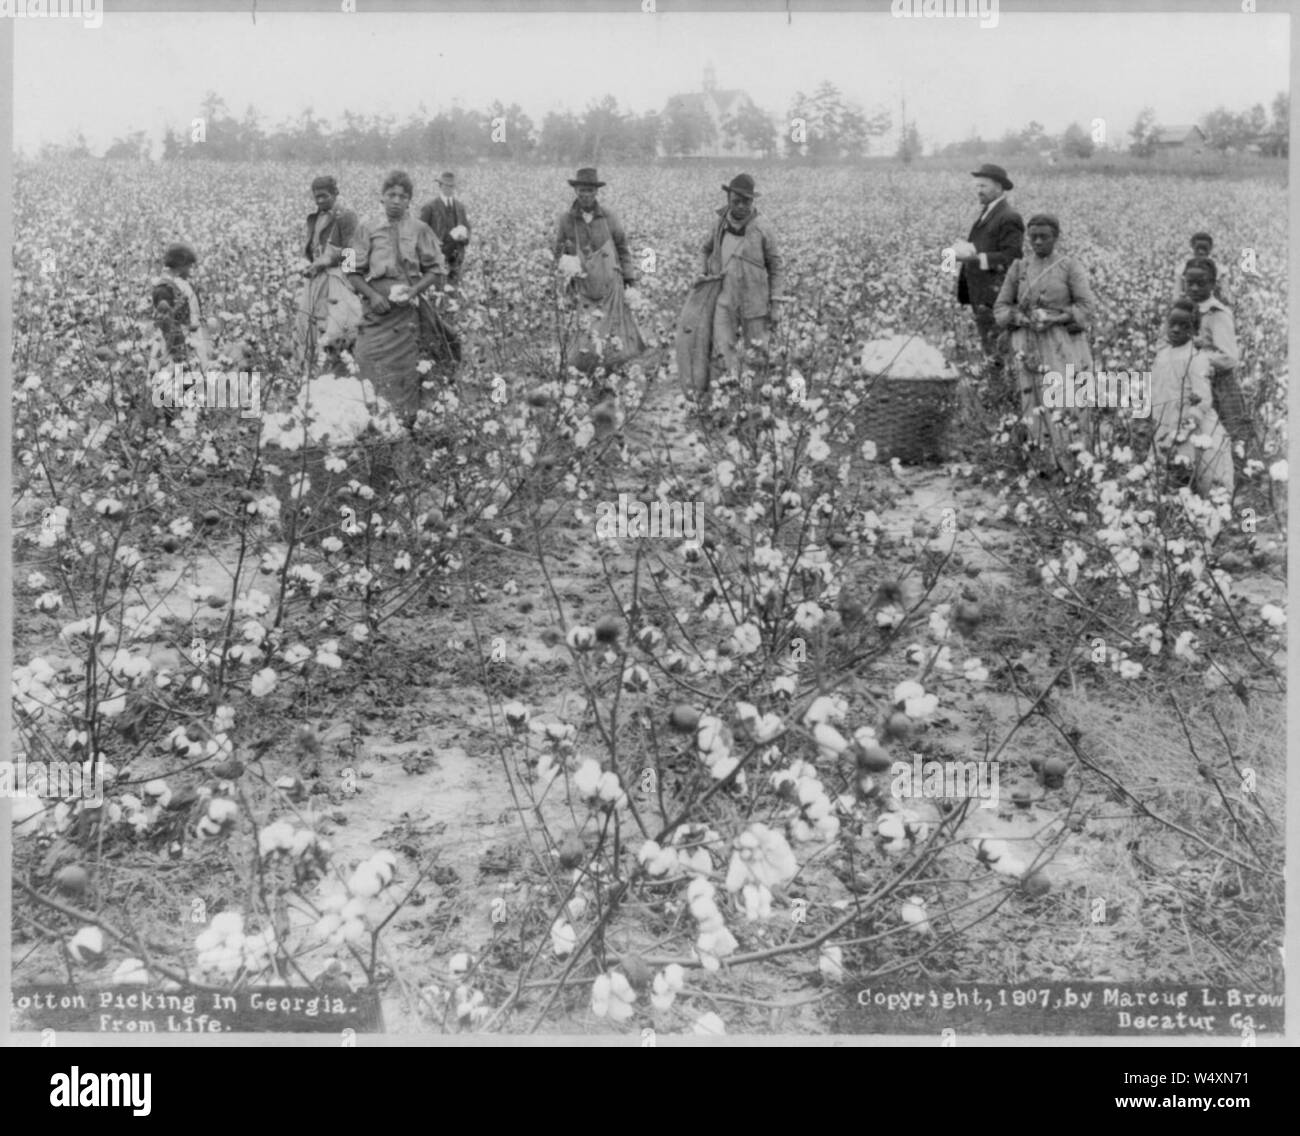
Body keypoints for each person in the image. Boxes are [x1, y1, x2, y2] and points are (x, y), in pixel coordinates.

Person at [345, 170, 456, 423]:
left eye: (403, 196)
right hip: (376, 312)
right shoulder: (365, 227)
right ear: (382, 197)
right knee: (366, 358)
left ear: (409, 201)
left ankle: (405, 423)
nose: (396, 200)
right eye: (391, 194)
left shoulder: (420, 229)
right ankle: (370, 421)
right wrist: (372, 296)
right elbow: (350, 270)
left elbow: (436, 269)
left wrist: (414, 291)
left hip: (407, 314)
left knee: (407, 368)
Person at [994, 213, 1097, 477]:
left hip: (1060, 342)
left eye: (1044, 237)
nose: (1038, 242)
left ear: (1056, 237)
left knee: (1065, 398)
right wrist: (1021, 317)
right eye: (1033, 237)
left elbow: (1086, 306)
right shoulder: (1019, 267)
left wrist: (1056, 318)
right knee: (1032, 399)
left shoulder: (1068, 266)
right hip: (1027, 343)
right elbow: (1001, 308)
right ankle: (1043, 463)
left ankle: (1073, 462)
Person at [1137, 300, 1233, 497]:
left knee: (1206, 475)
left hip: (1191, 425)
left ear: (1194, 330)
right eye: (1172, 324)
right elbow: (1156, 388)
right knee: (1164, 475)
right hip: (1164, 422)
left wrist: (1187, 424)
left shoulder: (1196, 359)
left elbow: (1204, 398)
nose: (1175, 329)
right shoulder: (1161, 355)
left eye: (1184, 326)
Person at [553, 167, 645, 375]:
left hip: (609, 285)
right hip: (583, 287)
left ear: (596, 193)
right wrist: (567, 268)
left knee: (613, 332)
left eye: (590, 191)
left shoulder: (609, 217)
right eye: (582, 190)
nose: (586, 195)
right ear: (576, 191)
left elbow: (622, 248)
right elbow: (558, 251)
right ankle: (586, 372)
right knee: (586, 333)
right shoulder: (566, 220)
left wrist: (629, 278)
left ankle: (611, 370)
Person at [699, 173, 785, 389]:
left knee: (756, 351)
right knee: (721, 348)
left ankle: (754, 399)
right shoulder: (719, 224)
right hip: (725, 299)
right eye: (736, 201)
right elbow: (705, 250)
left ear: (752, 201)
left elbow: (776, 266)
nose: (741, 206)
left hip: (755, 302)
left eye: (746, 201)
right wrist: (702, 273)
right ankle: (725, 396)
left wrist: (775, 304)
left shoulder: (763, 228)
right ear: (728, 199)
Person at [955, 163, 1024, 398]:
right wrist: (951, 258)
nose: (978, 190)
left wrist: (975, 257)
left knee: (998, 349)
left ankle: (1003, 396)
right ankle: (997, 393)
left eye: (983, 186)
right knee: (990, 347)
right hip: (981, 294)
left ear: (998, 187)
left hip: (995, 295)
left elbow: (1012, 256)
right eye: (977, 186)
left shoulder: (1009, 217)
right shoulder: (987, 213)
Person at [1181, 257, 1248, 462]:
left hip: (1219, 387)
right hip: (1194, 384)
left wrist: (1196, 358)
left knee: (1226, 441)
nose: (1193, 287)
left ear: (1213, 284)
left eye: (1200, 283)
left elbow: (1228, 357)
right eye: (1189, 282)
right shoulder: (1184, 308)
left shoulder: (1217, 314)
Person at [295, 175, 362, 375]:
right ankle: (310, 372)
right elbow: (313, 250)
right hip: (315, 280)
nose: (320, 201)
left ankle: (333, 371)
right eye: (316, 197)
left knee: (334, 327)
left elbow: (352, 254)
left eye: (324, 196)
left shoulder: (346, 216)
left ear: (335, 194)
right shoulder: (314, 218)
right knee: (307, 325)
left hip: (336, 280)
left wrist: (330, 261)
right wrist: (311, 264)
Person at [146, 242, 213, 426]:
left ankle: (187, 423)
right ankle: (171, 425)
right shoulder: (164, 287)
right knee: (174, 383)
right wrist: (177, 349)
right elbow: (165, 322)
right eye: (189, 266)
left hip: (187, 339)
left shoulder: (179, 284)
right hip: (174, 342)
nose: (190, 270)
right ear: (181, 264)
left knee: (189, 385)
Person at [418, 172, 471, 289]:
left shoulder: (460, 207)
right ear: (440, 186)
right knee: (439, 293)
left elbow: (467, 229)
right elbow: (420, 234)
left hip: (457, 257)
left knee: (454, 292)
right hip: (437, 258)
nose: (449, 189)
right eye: (446, 186)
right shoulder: (429, 207)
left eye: (451, 186)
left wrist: (465, 238)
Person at [1173, 232, 1231, 304]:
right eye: (1198, 248)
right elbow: (1176, 298)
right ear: (1192, 247)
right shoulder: (1181, 270)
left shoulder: (1221, 271)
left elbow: (1226, 297)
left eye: (1205, 249)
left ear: (1211, 248)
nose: (1201, 252)